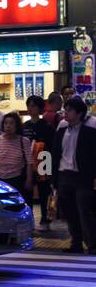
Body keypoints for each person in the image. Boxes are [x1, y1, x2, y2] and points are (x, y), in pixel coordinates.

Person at [51, 97, 96, 254]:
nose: (65, 113)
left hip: (83, 176)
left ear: (79, 113)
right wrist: (54, 177)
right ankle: (75, 243)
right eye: (65, 110)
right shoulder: (62, 127)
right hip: (64, 174)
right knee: (69, 211)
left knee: (85, 211)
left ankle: (92, 245)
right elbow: (55, 152)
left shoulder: (90, 128)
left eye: (69, 110)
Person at [22, 95, 55, 233]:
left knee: (44, 190)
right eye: (29, 105)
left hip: (44, 159)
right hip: (27, 161)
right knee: (27, 191)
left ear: (40, 108)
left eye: (34, 106)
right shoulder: (24, 126)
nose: (30, 108)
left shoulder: (47, 126)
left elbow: (52, 146)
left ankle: (45, 219)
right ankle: (29, 220)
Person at [0, 112, 32, 197]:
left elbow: (29, 162)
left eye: (11, 123)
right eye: (6, 123)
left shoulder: (24, 141)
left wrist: (29, 180)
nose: (8, 126)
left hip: (17, 178)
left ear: (17, 125)